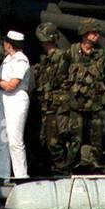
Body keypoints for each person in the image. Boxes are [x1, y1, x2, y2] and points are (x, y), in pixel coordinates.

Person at [68, 18, 105, 172]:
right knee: (75, 136)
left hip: (95, 103)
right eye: (93, 33)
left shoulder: (102, 55)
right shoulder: (71, 53)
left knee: (97, 137)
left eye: (97, 33)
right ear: (84, 34)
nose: (96, 36)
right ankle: (72, 163)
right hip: (76, 103)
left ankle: (95, 163)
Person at [34, 23, 77, 176]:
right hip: (48, 105)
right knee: (46, 140)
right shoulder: (47, 59)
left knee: (54, 141)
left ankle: (62, 168)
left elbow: (57, 81)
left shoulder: (61, 57)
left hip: (57, 106)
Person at [0, 30, 32, 178]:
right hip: (2, 100)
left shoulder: (22, 60)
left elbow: (12, 85)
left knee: (15, 141)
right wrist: (4, 83)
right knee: (2, 140)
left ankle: (21, 176)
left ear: (9, 44)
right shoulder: (7, 59)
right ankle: (2, 175)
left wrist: (1, 83)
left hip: (16, 99)